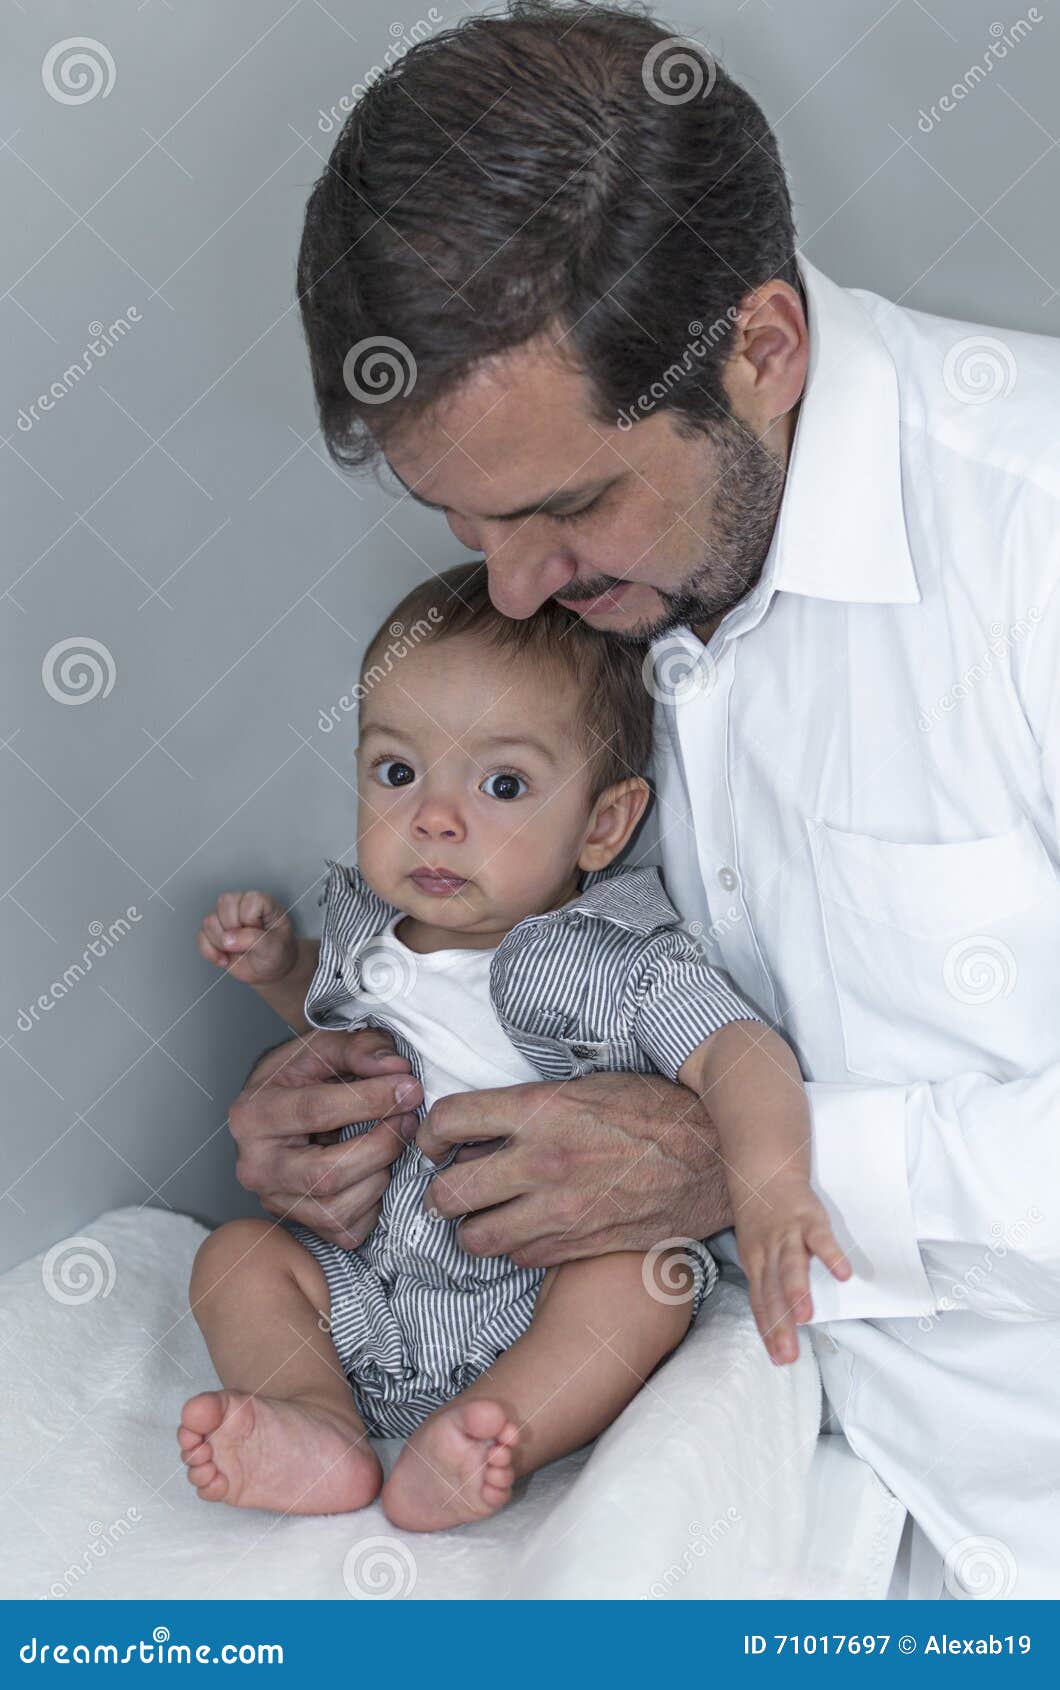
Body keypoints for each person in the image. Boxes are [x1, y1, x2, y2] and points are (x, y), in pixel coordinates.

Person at [226, 1, 1060, 1592]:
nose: (515, 590)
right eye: (462, 522)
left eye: (568, 510)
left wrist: (753, 1159)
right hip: (703, 1467)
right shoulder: (574, 603)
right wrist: (352, 1105)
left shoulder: (1035, 537)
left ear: (763, 350)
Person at [183, 564, 848, 1529]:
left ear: (603, 824)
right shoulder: (370, 938)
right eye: (397, 772)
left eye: (502, 785)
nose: (435, 818)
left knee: (642, 1282)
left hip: (536, 1299)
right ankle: (316, 1418)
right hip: (370, 1284)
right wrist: (285, 969)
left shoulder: (614, 960)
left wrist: (772, 1184)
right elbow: (340, 1052)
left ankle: (499, 1428)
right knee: (237, 1260)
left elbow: (736, 1053)